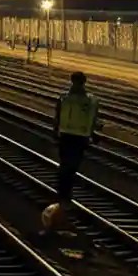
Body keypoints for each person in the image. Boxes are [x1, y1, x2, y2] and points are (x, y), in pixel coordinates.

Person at [53, 71, 99, 205]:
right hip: (80, 138)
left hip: (66, 136)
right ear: (84, 82)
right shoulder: (90, 101)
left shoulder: (64, 98)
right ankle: (66, 192)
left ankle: (62, 192)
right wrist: (92, 134)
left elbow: (57, 117)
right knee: (72, 166)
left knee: (65, 165)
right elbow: (92, 120)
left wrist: (55, 132)